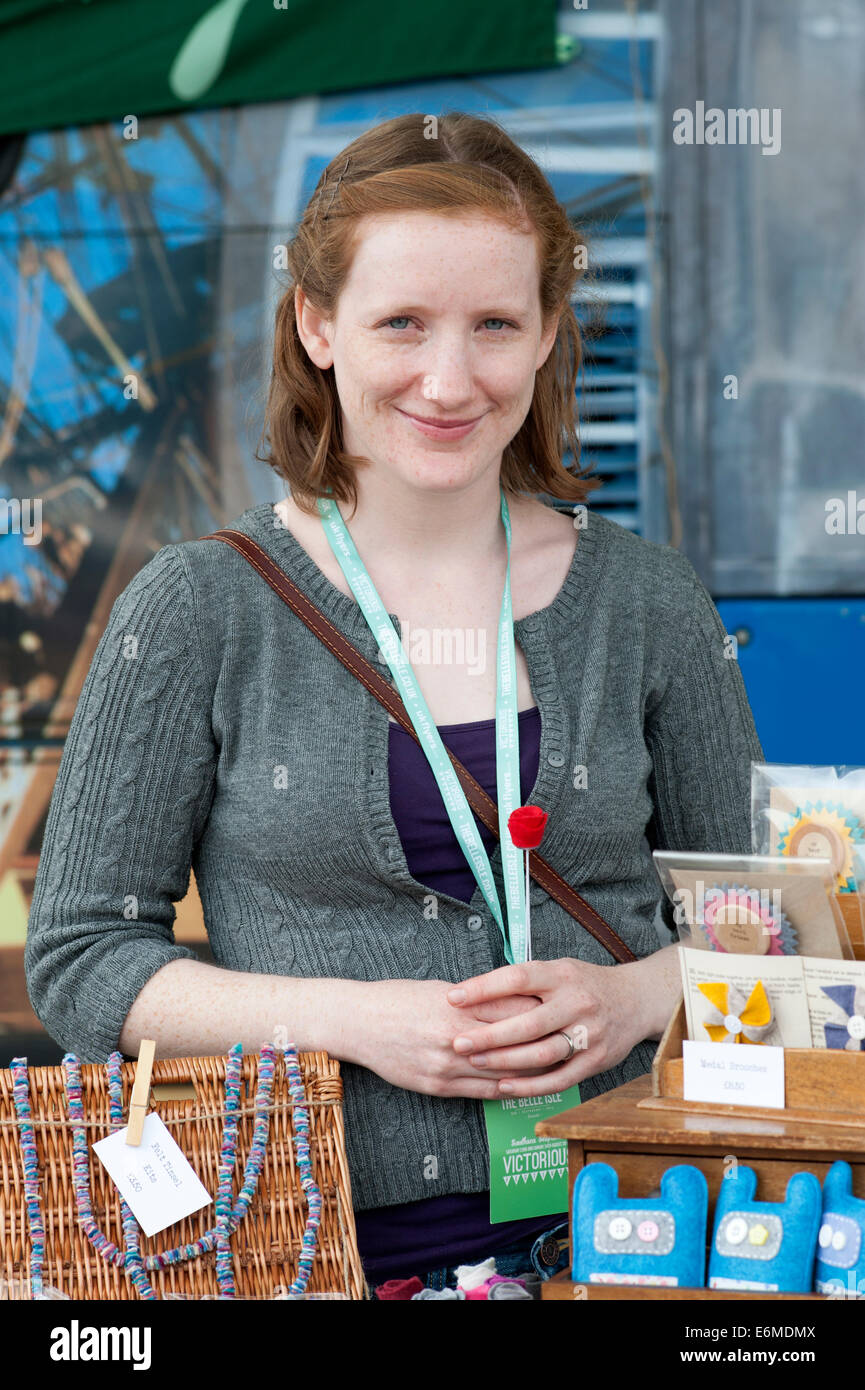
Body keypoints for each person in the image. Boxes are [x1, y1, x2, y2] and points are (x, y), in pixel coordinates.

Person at [25, 111, 763, 1296]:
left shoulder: (651, 603)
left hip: (647, 1238)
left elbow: (765, 935)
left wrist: (633, 995)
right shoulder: (199, 609)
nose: (449, 378)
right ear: (317, 326)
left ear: (546, 336)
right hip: (301, 1248)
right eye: (401, 324)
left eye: (494, 326)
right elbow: (79, 956)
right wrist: (355, 1019)